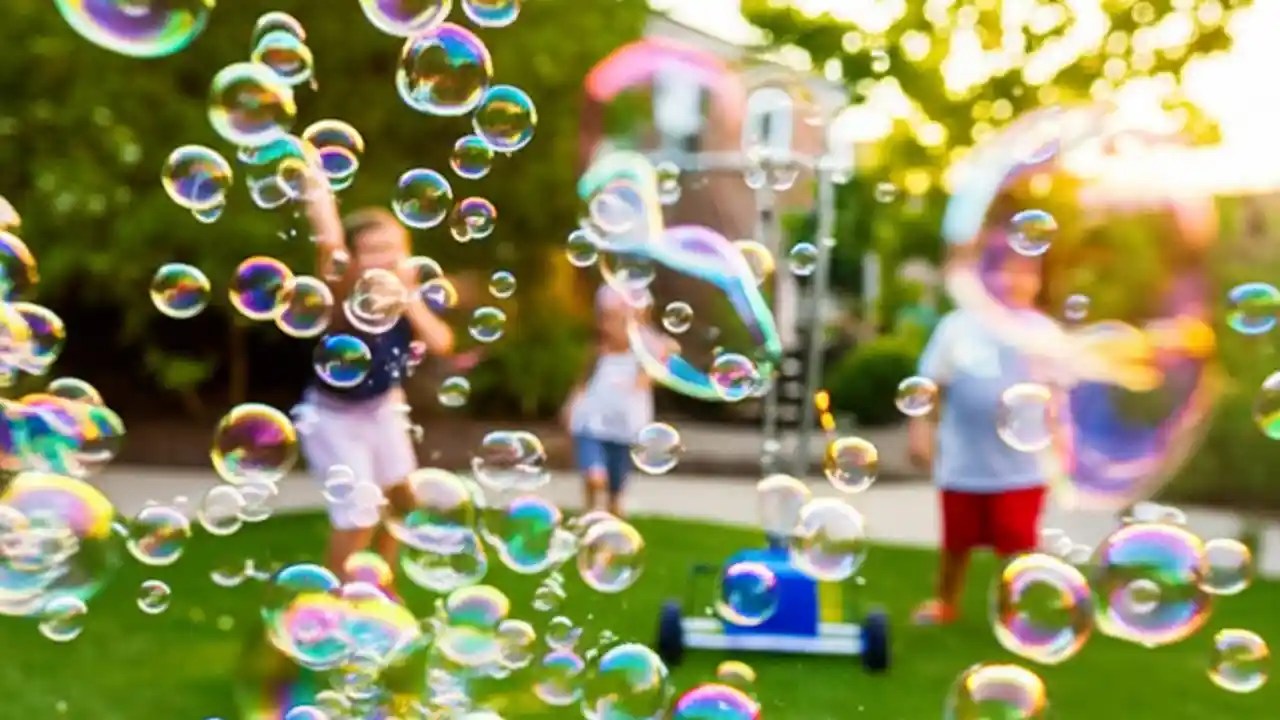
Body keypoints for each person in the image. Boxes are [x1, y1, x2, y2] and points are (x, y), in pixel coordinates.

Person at [299, 179, 455, 583]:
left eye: (393, 248)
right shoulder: (343, 293)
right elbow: (328, 241)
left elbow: (441, 342)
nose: (385, 259)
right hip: (334, 418)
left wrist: (410, 299)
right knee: (359, 515)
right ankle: (329, 599)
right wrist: (313, 184)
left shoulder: (409, 294)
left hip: (385, 407)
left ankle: (377, 584)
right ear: (352, 259)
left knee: (403, 500)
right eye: (372, 251)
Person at [907, 243, 1066, 625]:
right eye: (1003, 271)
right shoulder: (958, 327)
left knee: (1017, 543)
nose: (1013, 281)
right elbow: (929, 386)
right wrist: (920, 430)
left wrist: (1065, 448)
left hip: (1023, 465)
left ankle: (1015, 610)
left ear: (1038, 281)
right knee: (956, 543)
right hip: (963, 459)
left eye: (1025, 272)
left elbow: (1061, 400)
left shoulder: (1042, 333)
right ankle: (946, 602)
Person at [562, 284, 676, 517]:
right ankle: (591, 510)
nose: (608, 325)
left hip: (624, 428)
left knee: (615, 488)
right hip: (591, 423)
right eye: (606, 319)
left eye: (616, 319)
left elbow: (671, 349)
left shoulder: (643, 354)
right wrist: (570, 405)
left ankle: (610, 522)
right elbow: (583, 381)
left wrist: (647, 374)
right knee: (595, 477)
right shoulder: (598, 350)